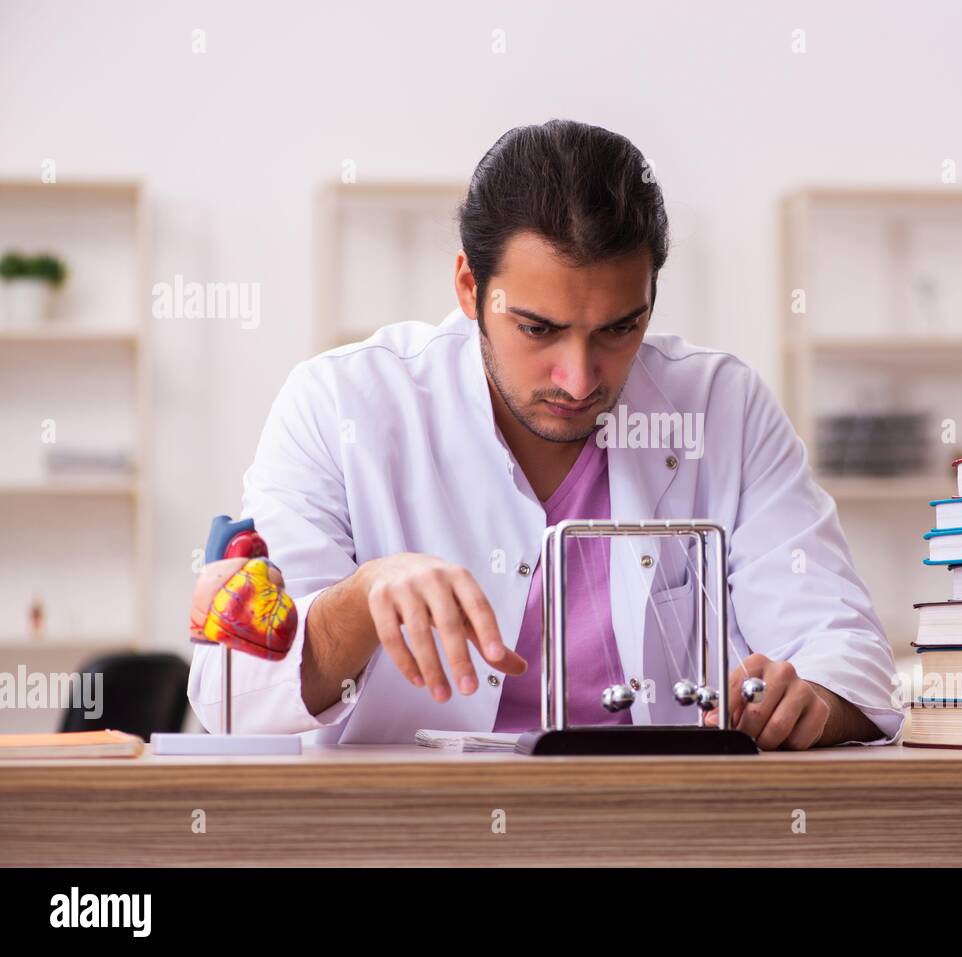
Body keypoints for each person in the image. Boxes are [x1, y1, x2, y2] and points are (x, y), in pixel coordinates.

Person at [188, 119, 902, 749]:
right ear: (470, 287)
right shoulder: (339, 403)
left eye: (620, 328)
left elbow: (849, 653)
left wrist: (811, 703)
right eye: (539, 329)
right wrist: (364, 596)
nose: (579, 377)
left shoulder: (723, 406)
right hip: (411, 836)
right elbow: (236, 697)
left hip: (663, 832)